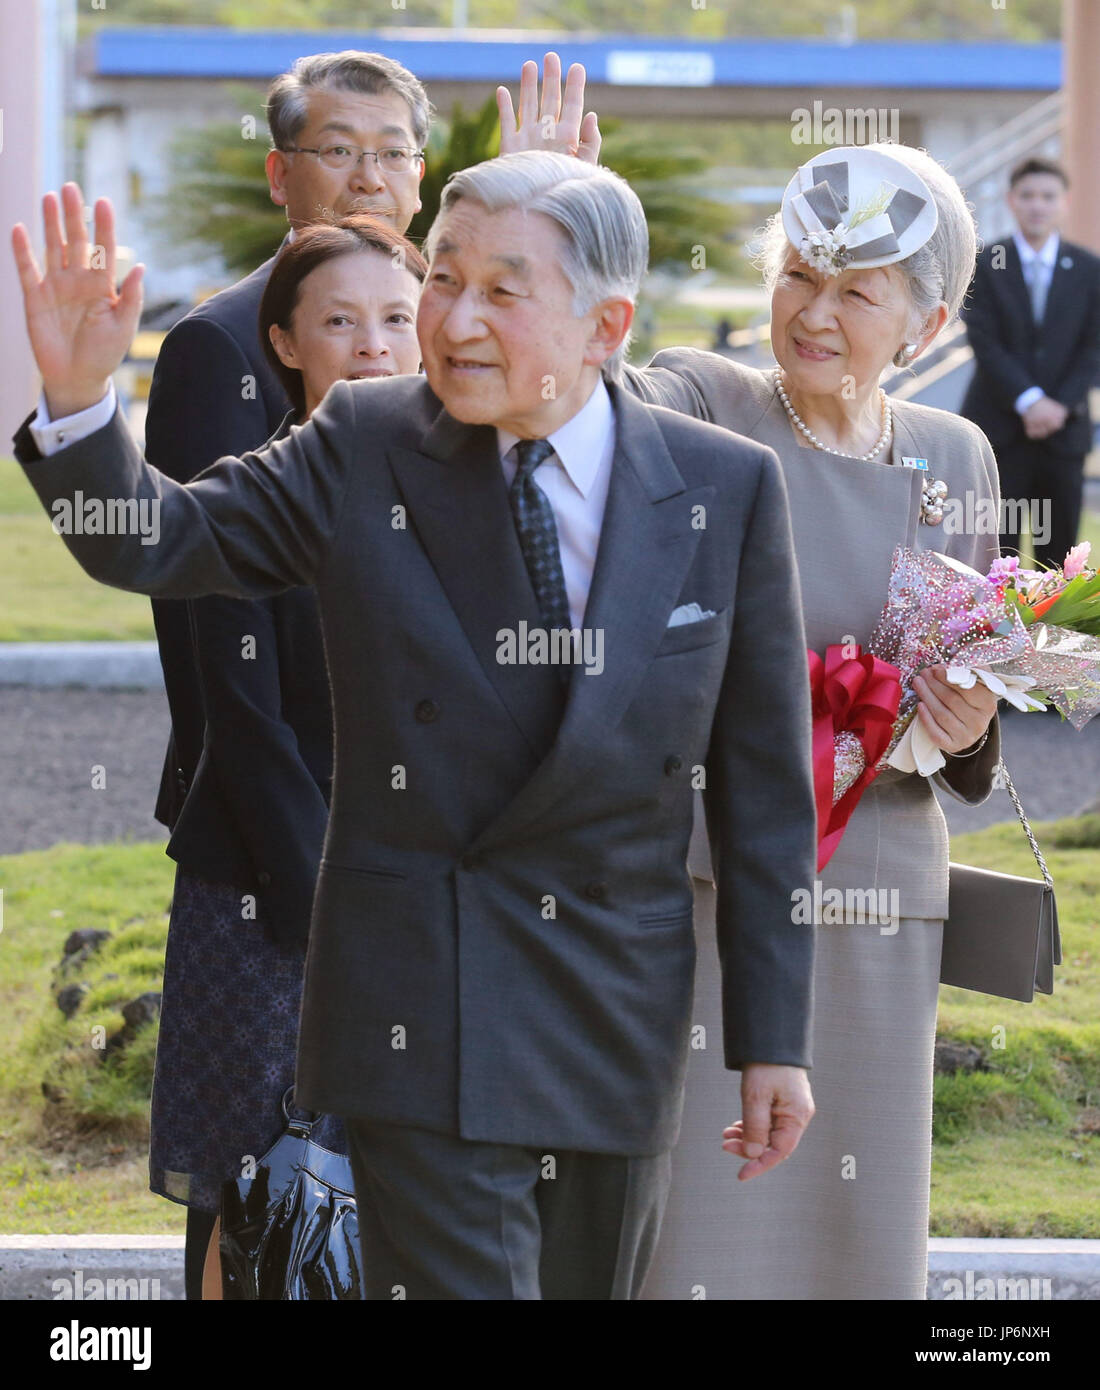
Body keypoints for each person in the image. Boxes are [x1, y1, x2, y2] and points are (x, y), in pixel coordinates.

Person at [13, 150, 817, 1300]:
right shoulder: (364, 442)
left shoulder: (720, 487)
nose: (451, 320)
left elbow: (762, 793)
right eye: (442, 278)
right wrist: (86, 407)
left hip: (612, 1014)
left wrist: (771, 1035)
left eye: (501, 289)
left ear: (605, 325)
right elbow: (163, 540)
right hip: (415, 1008)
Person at [623, 143, 1003, 1299]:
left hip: (883, 892)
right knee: (694, 1209)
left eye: (855, 290)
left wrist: (970, 713)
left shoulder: (956, 455)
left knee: (858, 1226)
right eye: (796, 274)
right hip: (717, 883)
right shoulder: (704, 400)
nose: (814, 311)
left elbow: (968, 740)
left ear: (927, 320)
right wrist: (555, 229)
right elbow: (576, 405)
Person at [142, 50, 430, 1296]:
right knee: (256, 1186)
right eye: (339, 149)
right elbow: (217, 660)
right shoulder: (219, 346)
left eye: (395, 152)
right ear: (280, 174)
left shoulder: (444, 356)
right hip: (276, 846)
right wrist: (311, 888)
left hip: (421, 863)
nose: (371, 175)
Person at [960, 156, 1100, 569]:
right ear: (1012, 201)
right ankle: (998, 635)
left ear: (1064, 202)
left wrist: (1058, 405)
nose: (1038, 204)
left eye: (1047, 196)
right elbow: (983, 341)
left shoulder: (1089, 268)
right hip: (1001, 430)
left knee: (1060, 563)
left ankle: (1057, 637)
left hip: (1063, 433)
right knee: (995, 556)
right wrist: (1028, 400)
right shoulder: (986, 262)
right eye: (1028, 195)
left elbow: (1094, 346)